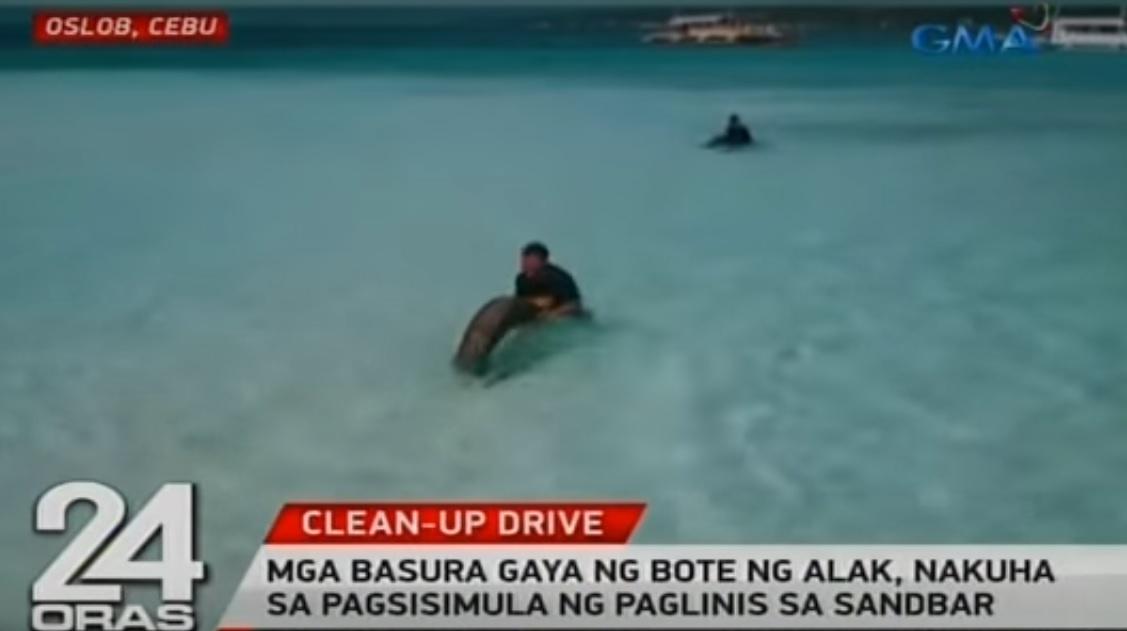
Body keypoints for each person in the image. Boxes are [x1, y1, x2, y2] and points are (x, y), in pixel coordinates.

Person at [514, 241, 584, 319]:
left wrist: (549, 315)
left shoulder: (558, 278)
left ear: (544, 262)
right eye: (524, 262)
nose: (527, 266)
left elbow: (575, 305)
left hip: (566, 314)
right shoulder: (521, 279)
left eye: (532, 263)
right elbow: (520, 302)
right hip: (542, 309)